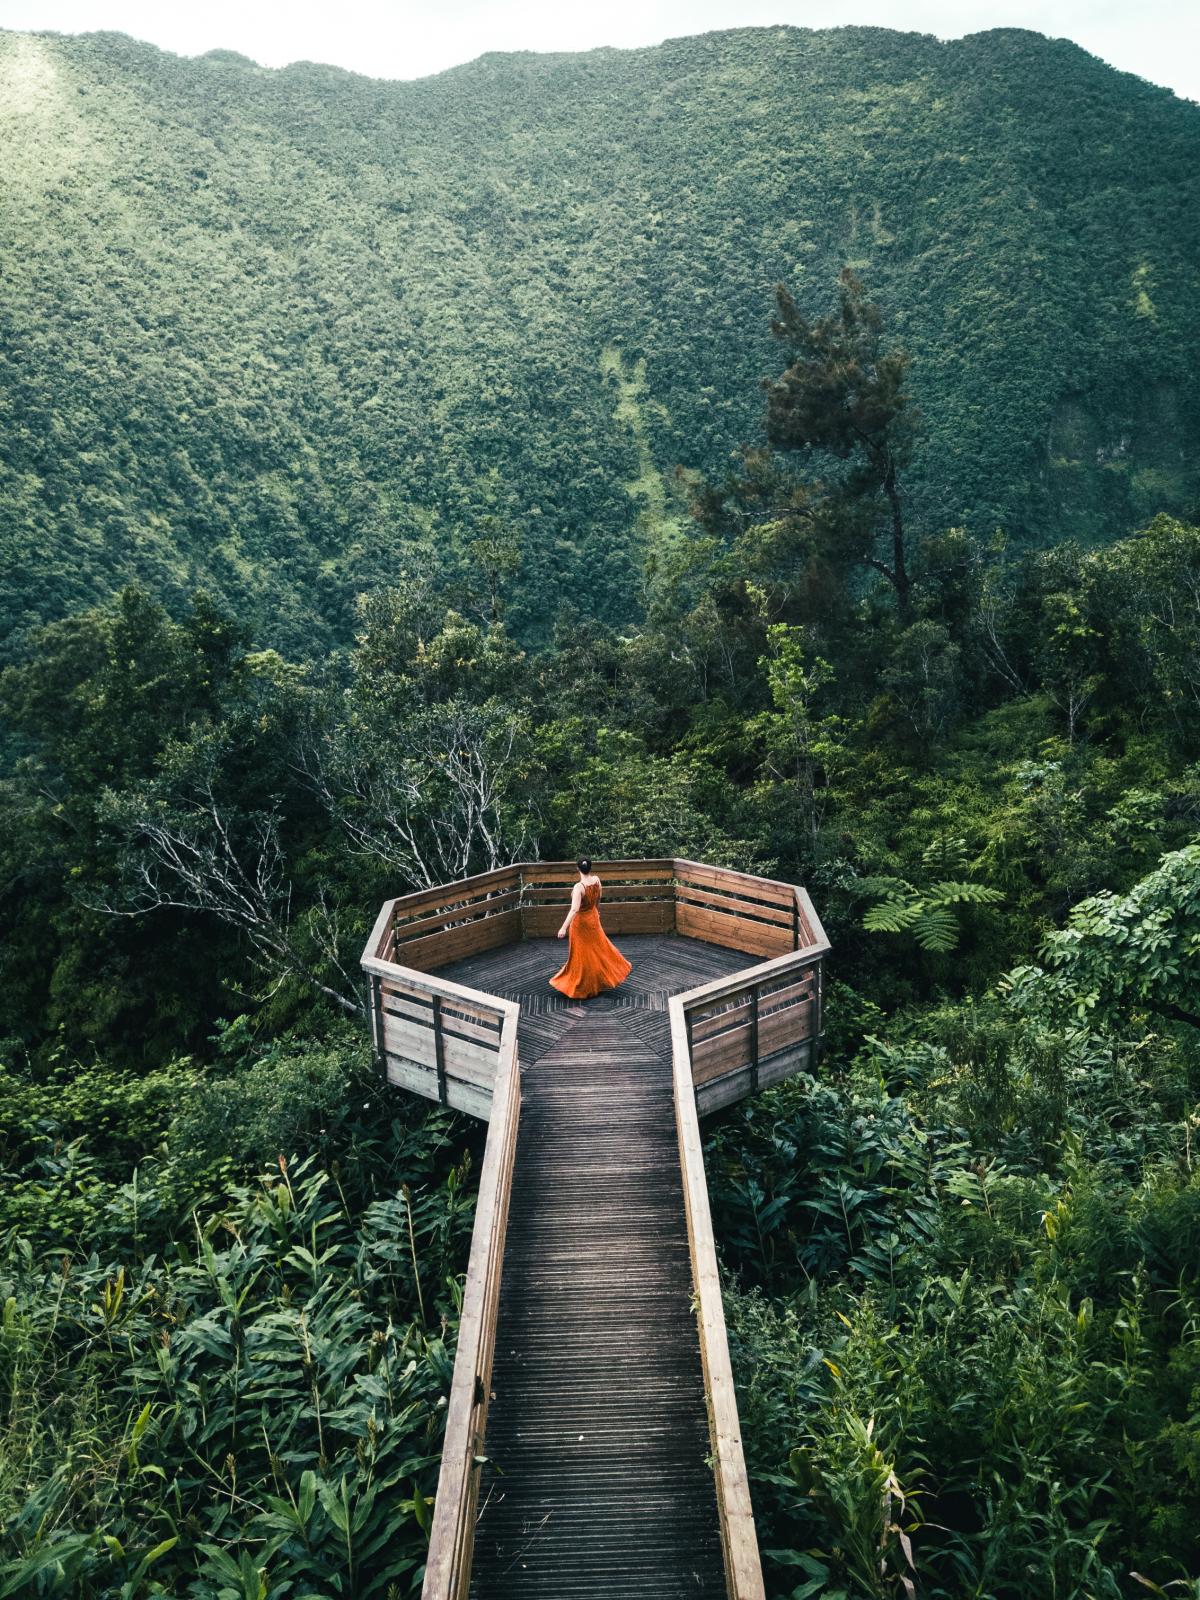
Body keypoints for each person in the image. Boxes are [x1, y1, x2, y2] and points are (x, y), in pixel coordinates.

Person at [548, 857, 632, 1003]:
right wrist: (596, 910)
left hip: (581, 924)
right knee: (599, 950)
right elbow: (599, 896)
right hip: (593, 918)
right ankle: (597, 982)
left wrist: (563, 927)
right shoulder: (597, 880)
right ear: (590, 868)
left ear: (578, 869)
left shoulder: (578, 887)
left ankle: (584, 987)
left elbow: (574, 909)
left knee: (581, 955)